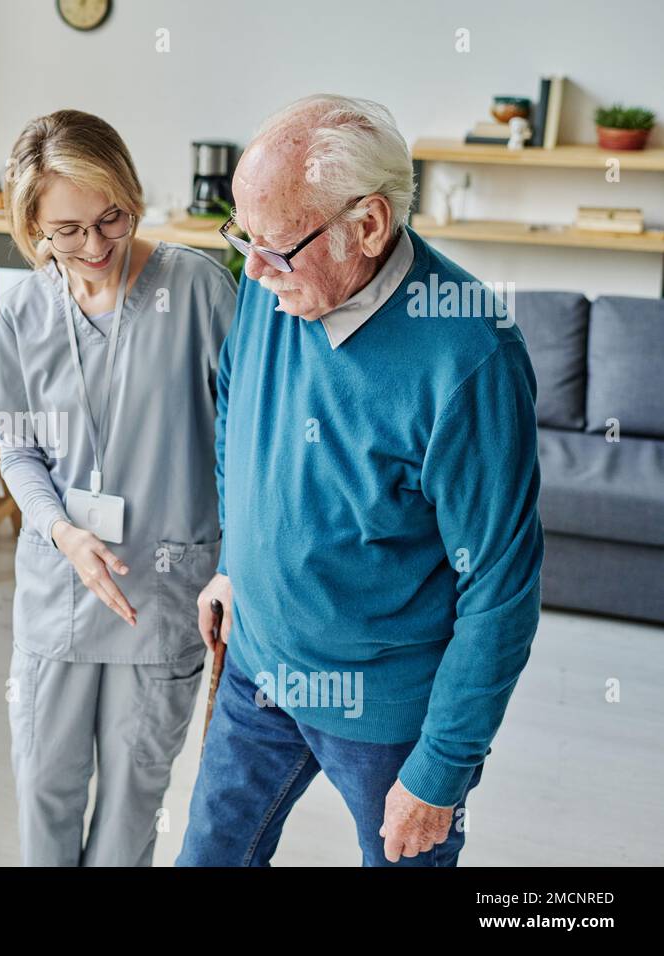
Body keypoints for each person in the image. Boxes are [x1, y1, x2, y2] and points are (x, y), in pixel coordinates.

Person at [178, 95, 543, 867]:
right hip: (256, 669)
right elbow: (239, 418)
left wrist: (441, 772)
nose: (252, 267)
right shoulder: (275, 286)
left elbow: (502, 589)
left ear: (368, 225)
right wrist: (234, 563)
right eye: (240, 236)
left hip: (383, 713)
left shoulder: (471, 355)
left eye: (273, 246)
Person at [0, 110, 236, 866]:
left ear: (131, 192)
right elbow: (16, 449)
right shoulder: (21, 308)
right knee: (44, 788)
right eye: (66, 230)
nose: (93, 247)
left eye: (111, 217)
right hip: (58, 589)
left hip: (163, 588)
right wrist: (62, 530)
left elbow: (247, 443)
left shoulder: (200, 290)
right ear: (31, 226)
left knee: (130, 805)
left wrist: (235, 565)